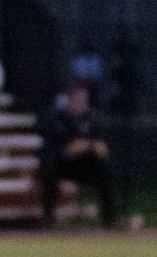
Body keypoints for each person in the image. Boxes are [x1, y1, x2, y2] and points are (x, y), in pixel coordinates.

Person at [37, 84, 117, 227]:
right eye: (78, 99)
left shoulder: (92, 118)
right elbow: (54, 147)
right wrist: (70, 149)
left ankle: (109, 221)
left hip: (84, 166)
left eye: (84, 99)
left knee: (104, 170)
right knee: (49, 170)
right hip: (61, 166)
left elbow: (101, 144)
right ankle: (48, 219)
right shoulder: (57, 118)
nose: (82, 103)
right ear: (69, 99)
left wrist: (93, 146)